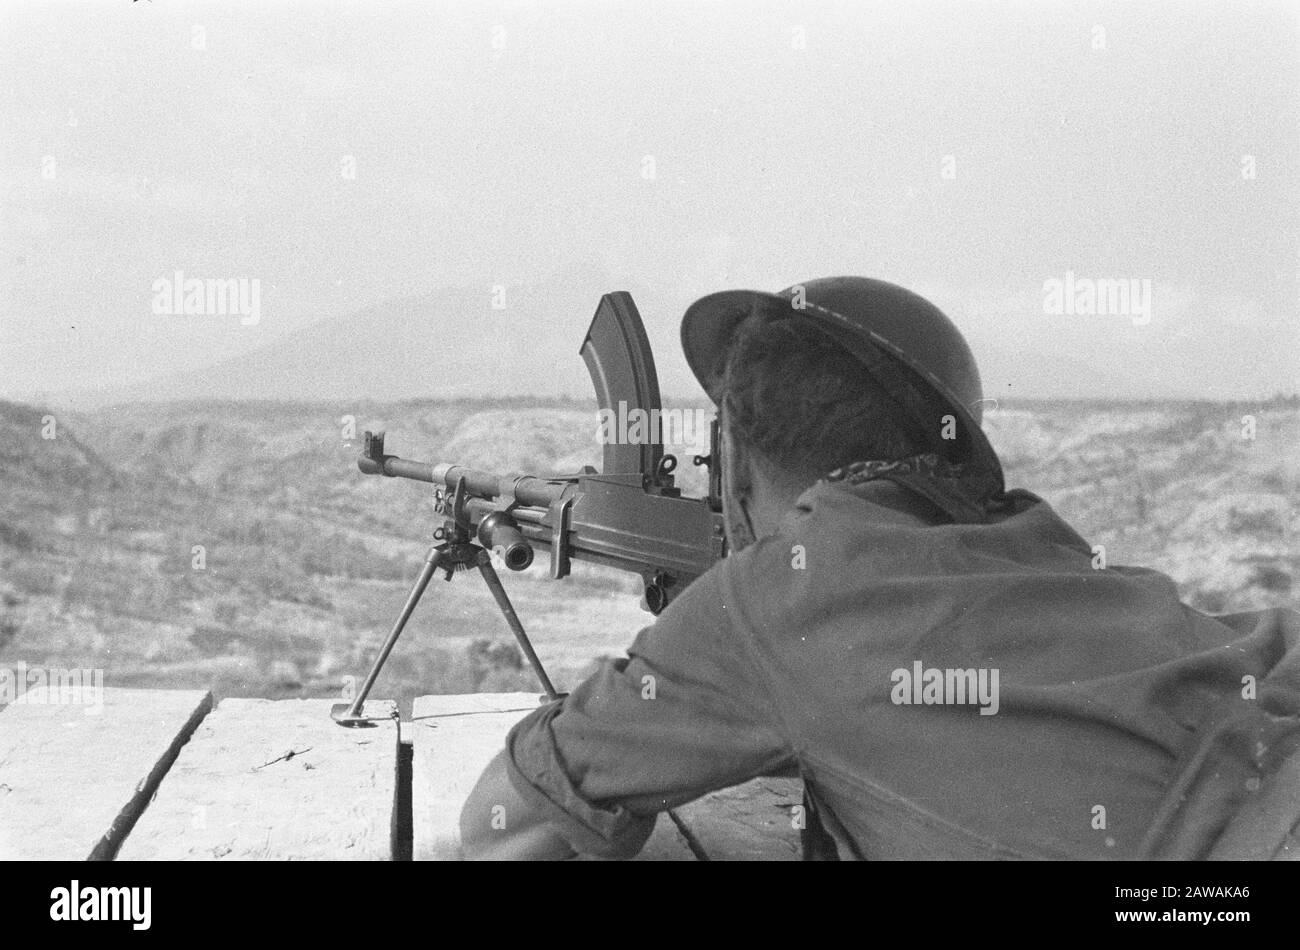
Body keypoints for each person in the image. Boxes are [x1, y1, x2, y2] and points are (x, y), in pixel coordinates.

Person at [459, 277, 1300, 860]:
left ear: (735, 458)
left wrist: (643, 727)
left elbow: (498, 829)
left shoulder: (781, 594)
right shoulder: (1037, 540)